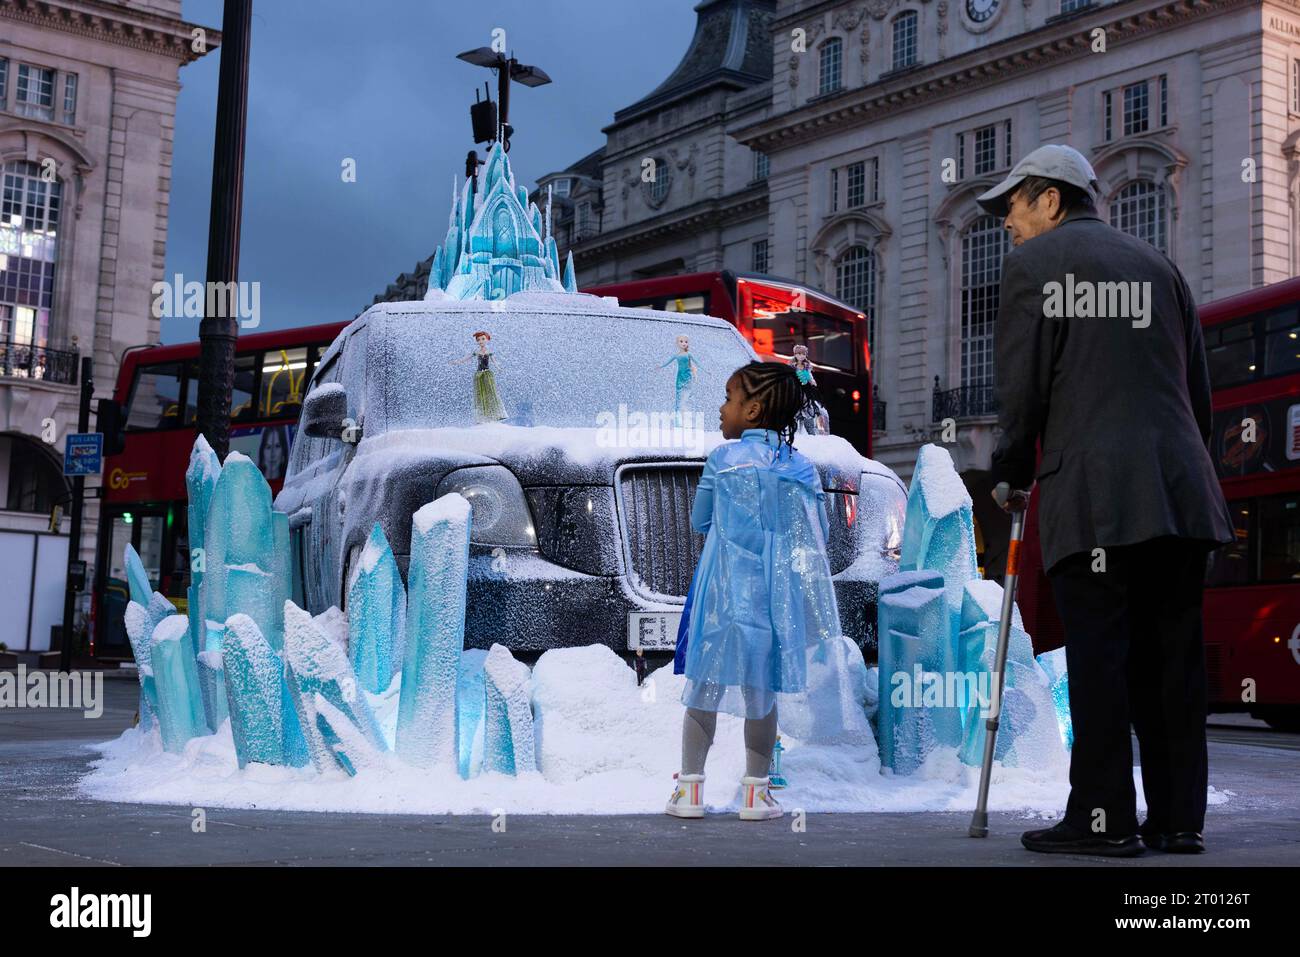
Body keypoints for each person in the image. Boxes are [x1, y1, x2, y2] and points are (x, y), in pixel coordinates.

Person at [977, 144, 1234, 856]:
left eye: (1014, 206)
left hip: (1094, 499)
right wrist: (1184, 474)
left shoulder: (1035, 267)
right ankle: (1179, 821)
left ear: (1053, 199)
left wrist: (1009, 466)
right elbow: (1198, 396)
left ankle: (1104, 820)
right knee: (1173, 665)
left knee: (1102, 661)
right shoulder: (1162, 268)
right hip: (1179, 499)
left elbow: (1024, 387)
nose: (1007, 223)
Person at [665, 362, 841, 821]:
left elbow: (698, 521)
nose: (721, 408)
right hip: (773, 597)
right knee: (761, 694)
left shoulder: (722, 461)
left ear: (753, 409)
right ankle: (755, 794)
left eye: (728, 397)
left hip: (722, 592)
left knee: (703, 687)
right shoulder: (801, 468)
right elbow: (818, 532)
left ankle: (689, 792)